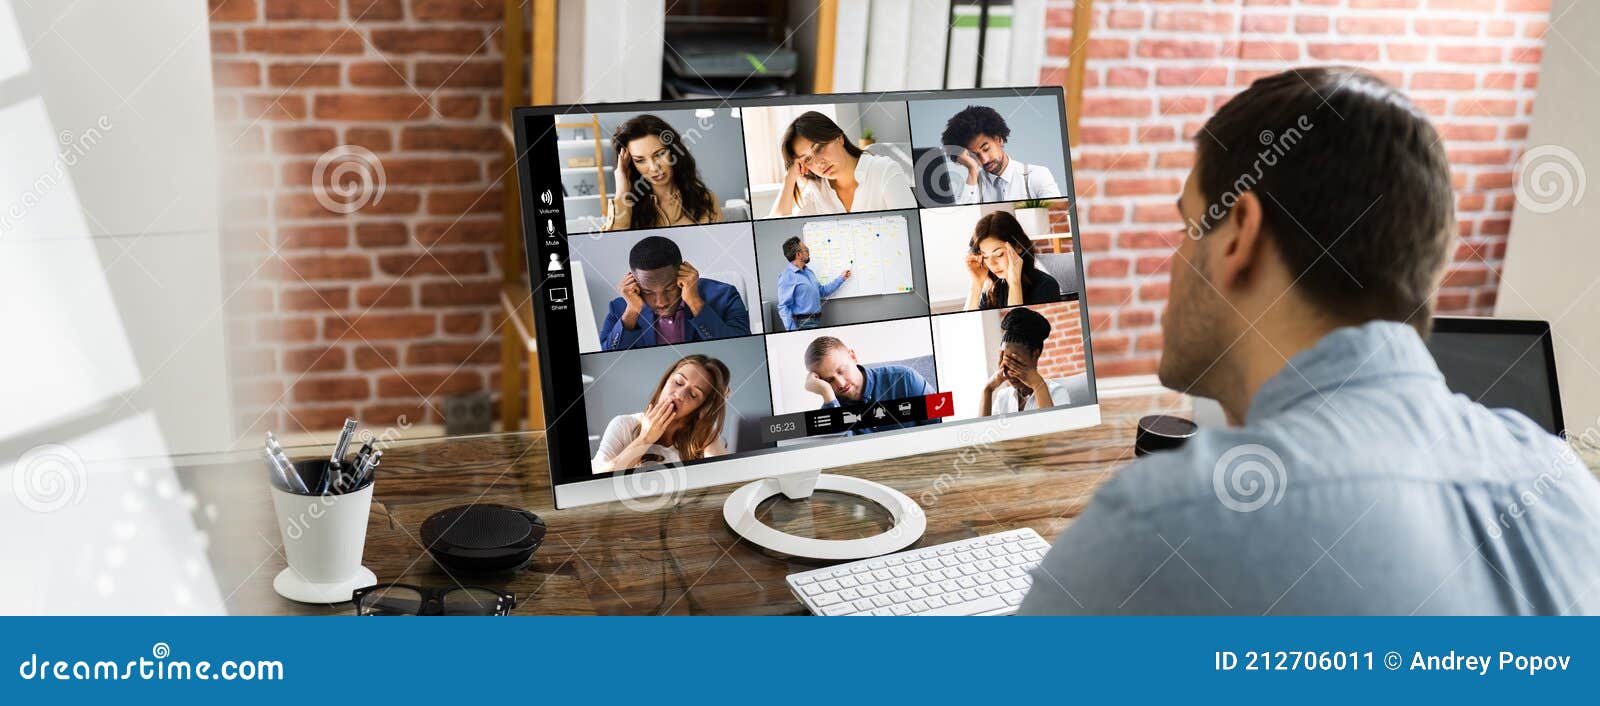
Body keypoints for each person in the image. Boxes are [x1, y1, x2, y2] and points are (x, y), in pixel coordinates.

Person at [1019, 67, 1600, 615]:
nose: (1174, 259)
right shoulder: (1563, 487)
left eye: (1190, 227)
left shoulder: (1162, 526)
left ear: (1237, 236)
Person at [599, 236, 750, 351]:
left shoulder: (726, 295)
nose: (661, 302)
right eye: (648, 292)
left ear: (683, 274)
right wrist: (631, 313)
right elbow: (609, 356)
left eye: (669, 289)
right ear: (633, 281)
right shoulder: (620, 308)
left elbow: (741, 348)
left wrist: (695, 302)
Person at [591, 354, 731, 473]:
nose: (680, 395)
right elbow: (599, 478)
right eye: (678, 382)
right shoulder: (624, 425)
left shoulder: (704, 440)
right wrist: (646, 438)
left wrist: (710, 415)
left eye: (693, 395)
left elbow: (722, 477)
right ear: (665, 380)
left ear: (702, 406)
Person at [769, 111, 917, 217]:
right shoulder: (816, 191)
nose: (819, 163)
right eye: (807, 159)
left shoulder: (884, 171)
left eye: (819, 147)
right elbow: (779, 224)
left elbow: (910, 227)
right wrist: (790, 179)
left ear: (839, 138)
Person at [604, 114, 723, 231]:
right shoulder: (628, 208)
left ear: (673, 152)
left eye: (660, 154)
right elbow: (609, 247)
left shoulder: (706, 199)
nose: (654, 168)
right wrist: (621, 192)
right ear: (631, 164)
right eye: (640, 160)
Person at [802, 336, 938, 435]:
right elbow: (839, 455)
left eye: (841, 371)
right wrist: (826, 393)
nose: (841, 384)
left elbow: (940, 425)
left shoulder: (905, 378)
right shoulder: (831, 406)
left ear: (853, 357)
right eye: (829, 380)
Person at [940, 105, 1061, 204]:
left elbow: (1058, 220)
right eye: (974, 156)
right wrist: (972, 170)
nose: (984, 160)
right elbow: (963, 223)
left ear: (999, 139)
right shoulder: (971, 186)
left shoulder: (1037, 176)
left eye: (986, 149)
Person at [979, 307, 1069, 416]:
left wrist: (1038, 384)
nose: (1010, 373)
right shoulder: (1003, 397)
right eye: (1006, 363)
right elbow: (985, 431)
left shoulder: (1057, 392)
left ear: (1035, 355)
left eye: (1016, 363)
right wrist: (987, 390)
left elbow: (1055, 430)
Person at [963, 211, 1061, 310]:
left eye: (999, 254)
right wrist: (976, 283)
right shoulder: (991, 291)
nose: (992, 264)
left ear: (1018, 246)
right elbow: (966, 321)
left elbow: (1016, 321)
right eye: (985, 257)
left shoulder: (1046, 285)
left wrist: (1014, 282)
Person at [776, 236, 851, 330]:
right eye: (806, 250)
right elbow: (783, 307)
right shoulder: (786, 276)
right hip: (802, 324)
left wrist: (841, 278)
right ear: (798, 254)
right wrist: (792, 331)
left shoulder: (809, 272)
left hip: (817, 321)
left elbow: (822, 291)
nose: (808, 252)